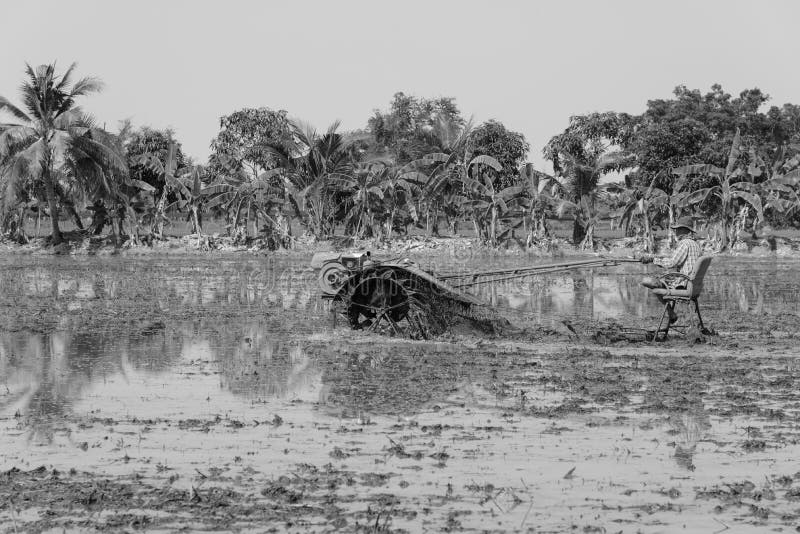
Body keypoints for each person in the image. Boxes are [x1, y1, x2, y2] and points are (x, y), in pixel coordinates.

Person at [640, 216, 701, 323]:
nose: (675, 231)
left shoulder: (684, 244)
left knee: (647, 282)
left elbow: (672, 263)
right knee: (656, 282)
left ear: (683, 230)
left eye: (677, 229)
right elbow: (676, 259)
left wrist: (653, 260)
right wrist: (655, 257)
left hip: (683, 283)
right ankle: (671, 313)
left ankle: (671, 313)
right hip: (693, 284)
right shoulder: (696, 244)